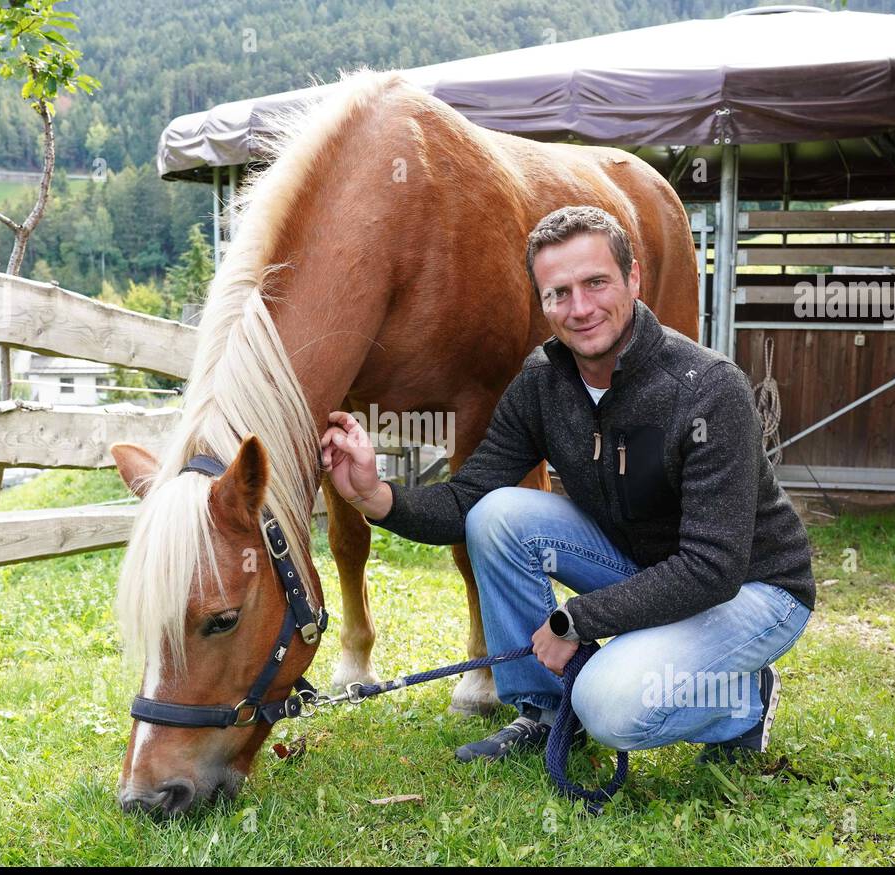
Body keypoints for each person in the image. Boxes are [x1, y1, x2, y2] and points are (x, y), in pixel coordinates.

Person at [319, 205, 815, 767]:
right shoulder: (542, 382)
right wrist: (373, 496)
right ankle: (547, 711)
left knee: (611, 706)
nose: (579, 309)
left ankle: (744, 702)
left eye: (596, 283)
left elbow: (713, 567)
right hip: (647, 567)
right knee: (498, 513)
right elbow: (468, 499)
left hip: (752, 588)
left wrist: (573, 622)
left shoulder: (708, 388)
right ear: (541, 300)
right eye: (557, 293)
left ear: (633, 279)